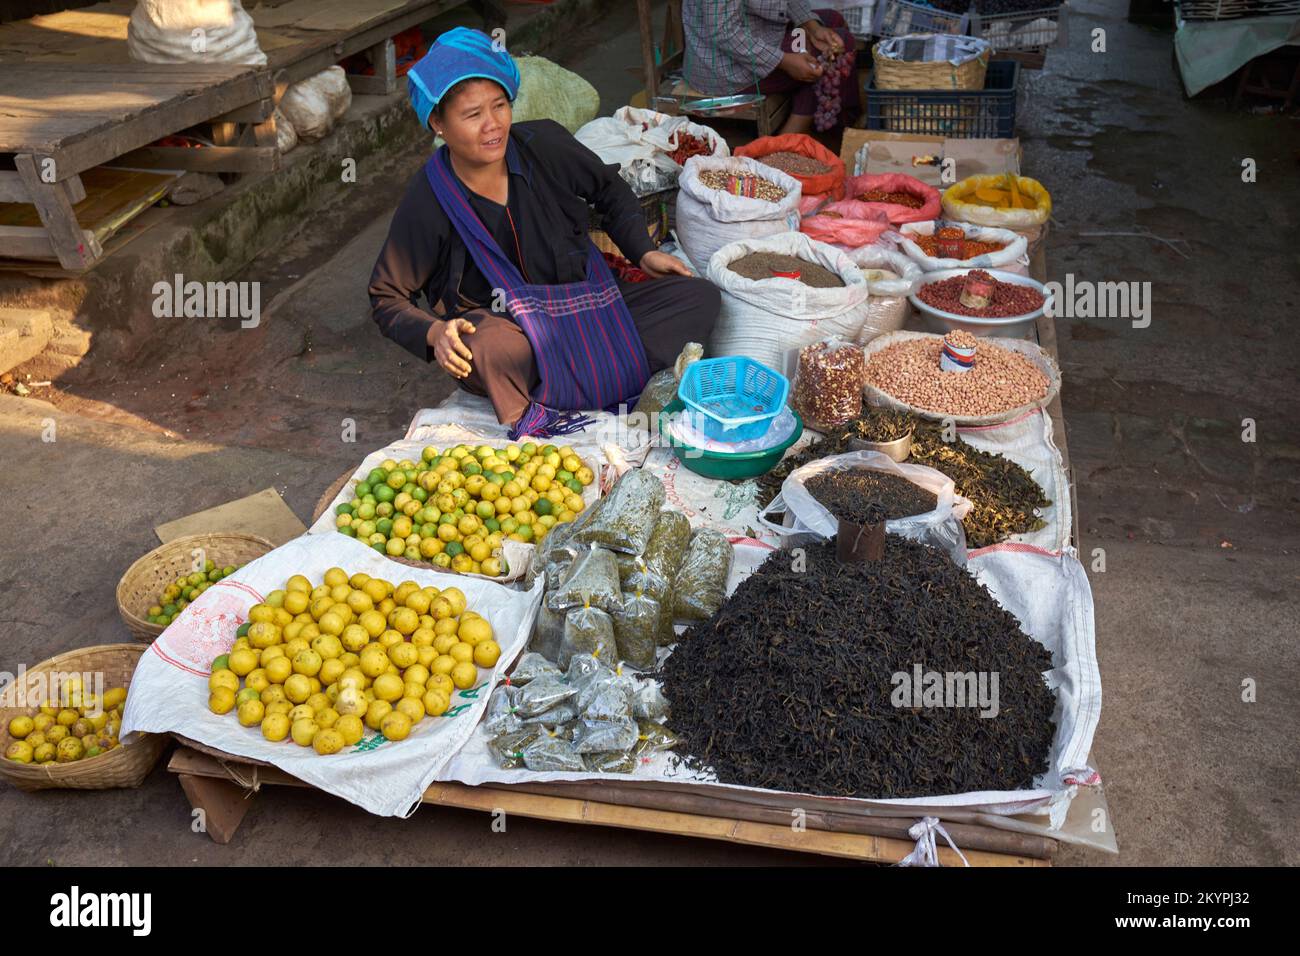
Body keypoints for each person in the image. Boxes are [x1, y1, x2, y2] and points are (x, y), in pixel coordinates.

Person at [369, 27, 720, 438]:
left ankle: (564, 387)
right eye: (472, 115)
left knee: (699, 297)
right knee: (486, 349)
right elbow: (386, 295)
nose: (492, 125)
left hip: (588, 305)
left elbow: (609, 190)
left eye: (499, 106)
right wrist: (433, 333)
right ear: (437, 124)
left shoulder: (545, 144)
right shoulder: (430, 197)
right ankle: (571, 392)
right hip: (517, 337)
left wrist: (642, 252)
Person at [681, 2, 858, 136]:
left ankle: (816, 118)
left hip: (757, 27)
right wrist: (784, 60)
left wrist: (813, 27)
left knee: (832, 22)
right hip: (723, 63)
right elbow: (724, 32)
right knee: (839, 44)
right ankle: (786, 141)